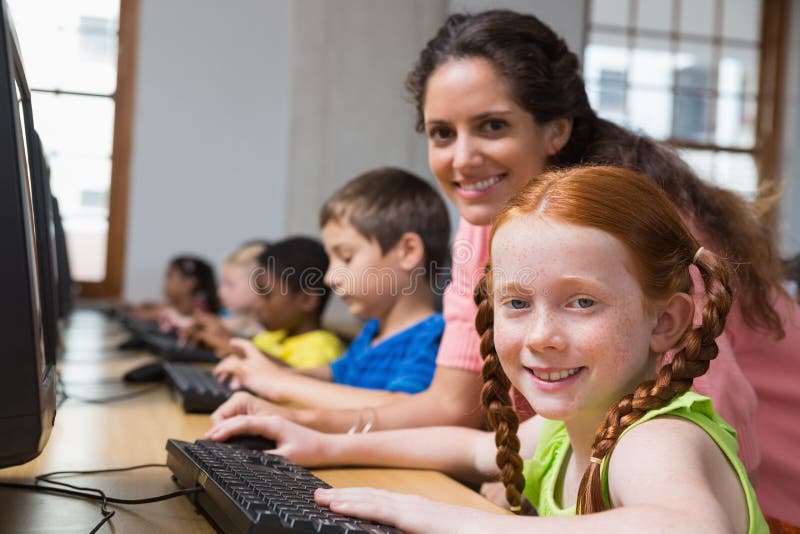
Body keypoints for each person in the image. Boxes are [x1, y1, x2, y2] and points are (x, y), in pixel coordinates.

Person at [211, 9, 788, 482]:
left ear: (555, 130)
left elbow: (720, 428)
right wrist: (305, 427)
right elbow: (456, 401)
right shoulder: (487, 218)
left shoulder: (631, 218)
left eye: (492, 126)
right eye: (443, 133)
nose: (462, 159)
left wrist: (286, 393)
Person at [205, 167, 767, 533]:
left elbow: (691, 525)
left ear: (665, 322)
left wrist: (450, 519)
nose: (541, 335)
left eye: (582, 303)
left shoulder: (658, 436)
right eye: (517, 304)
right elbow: (464, 447)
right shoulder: (562, 431)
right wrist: (320, 446)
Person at [213, 168, 449, 411]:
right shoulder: (374, 331)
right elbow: (335, 375)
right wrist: (265, 373)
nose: (329, 278)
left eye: (346, 258)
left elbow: (404, 409)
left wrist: (282, 383)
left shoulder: (432, 337)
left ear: (408, 252)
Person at [215, 236, 343, 372]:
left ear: (307, 300)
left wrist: (232, 346)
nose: (257, 304)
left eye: (266, 295)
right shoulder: (272, 336)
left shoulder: (322, 348)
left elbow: (303, 385)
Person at [176, 242, 268, 352]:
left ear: (260, 284)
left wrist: (224, 337)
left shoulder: (267, 330)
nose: (219, 292)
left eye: (230, 284)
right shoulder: (235, 321)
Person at [125, 255, 221, 325]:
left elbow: (165, 313)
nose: (165, 282)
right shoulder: (177, 306)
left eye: (169, 276)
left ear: (189, 284)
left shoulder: (198, 310)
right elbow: (158, 307)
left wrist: (136, 313)